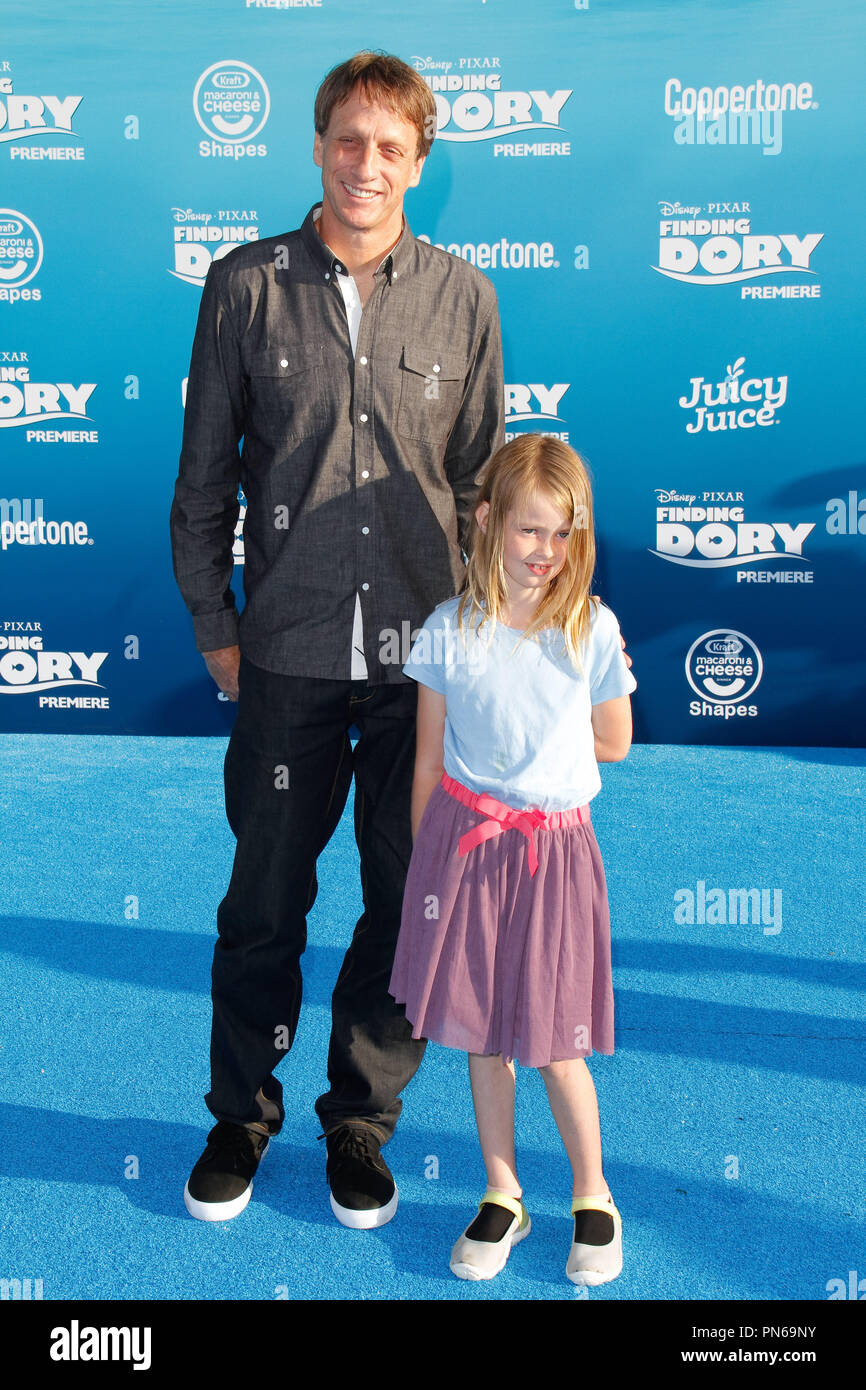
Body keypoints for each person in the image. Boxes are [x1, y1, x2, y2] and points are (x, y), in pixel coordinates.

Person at [169, 52, 505, 1228]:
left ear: (421, 162)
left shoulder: (463, 296)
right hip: (287, 653)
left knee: (405, 897)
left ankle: (360, 1123)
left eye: (393, 149)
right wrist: (218, 625)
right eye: (350, 141)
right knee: (263, 898)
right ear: (316, 145)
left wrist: (491, 656)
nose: (369, 165)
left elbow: (477, 487)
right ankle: (237, 1117)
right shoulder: (243, 285)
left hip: (421, 666)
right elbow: (205, 474)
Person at [389, 434, 637, 1283]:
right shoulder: (447, 630)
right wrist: (430, 872)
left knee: (557, 1041)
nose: (546, 552)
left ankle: (593, 1196)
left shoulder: (591, 628)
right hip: (464, 852)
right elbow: (427, 761)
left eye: (565, 534)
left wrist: (543, 752)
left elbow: (616, 742)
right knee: (482, 1036)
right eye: (531, 530)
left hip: (555, 854)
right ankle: (502, 1191)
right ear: (488, 521)